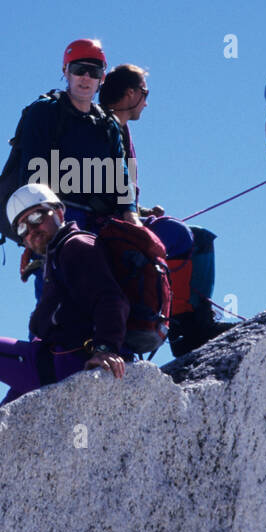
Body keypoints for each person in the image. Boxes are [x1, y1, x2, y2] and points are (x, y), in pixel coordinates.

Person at [0, 183, 129, 443]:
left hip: (66, 362)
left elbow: (109, 297)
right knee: (5, 415)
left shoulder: (76, 246)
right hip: (59, 357)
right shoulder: (59, 253)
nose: (31, 230)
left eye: (37, 217)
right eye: (21, 228)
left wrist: (106, 348)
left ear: (60, 213)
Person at [100, 64, 229, 357]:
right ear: (130, 93)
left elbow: (114, 187)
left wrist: (142, 209)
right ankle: (185, 329)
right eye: (145, 93)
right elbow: (100, 187)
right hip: (111, 225)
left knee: (200, 238)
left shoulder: (121, 129)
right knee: (179, 235)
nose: (146, 101)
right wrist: (131, 214)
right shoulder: (105, 129)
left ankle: (193, 323)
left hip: (123, 217)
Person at [13, 39, 136, 234]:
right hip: (59, 215)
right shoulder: (45, 112)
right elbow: (33, 173)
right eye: (79, 69)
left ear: (101, 78)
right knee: (86, 252)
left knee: (181, 235)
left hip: (104, 220)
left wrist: (131, 214)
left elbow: (121, 175)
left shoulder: (108, 124)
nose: (86, 78)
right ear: (66, 72)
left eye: (94, 72)